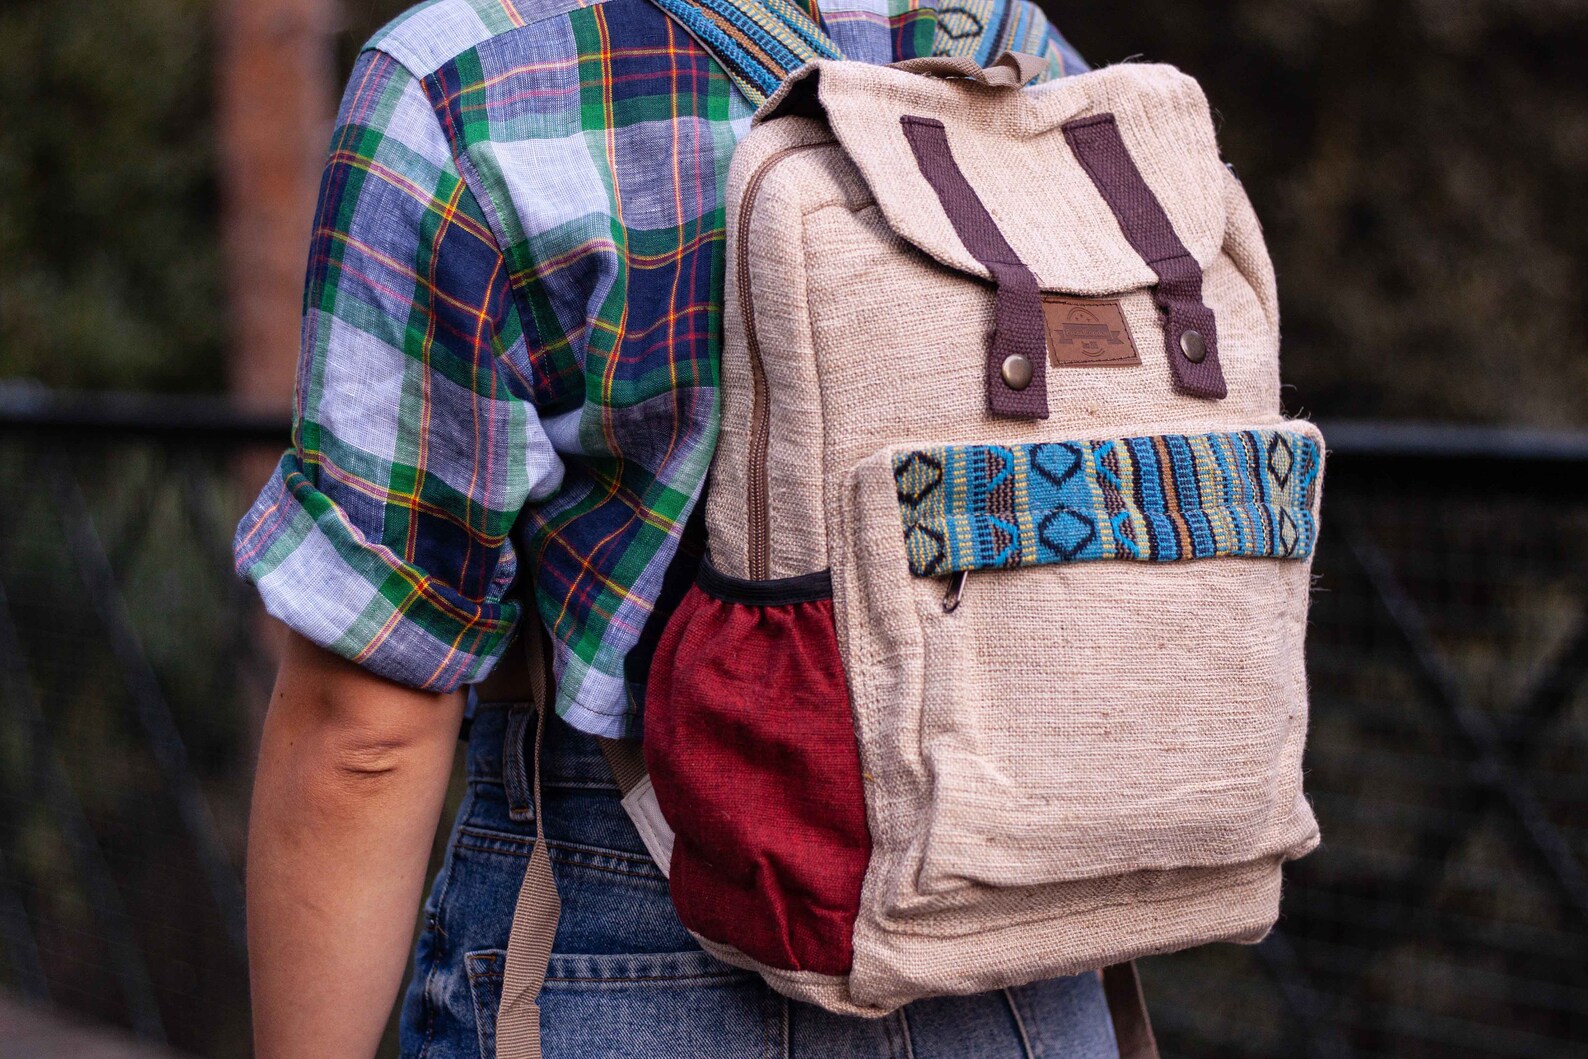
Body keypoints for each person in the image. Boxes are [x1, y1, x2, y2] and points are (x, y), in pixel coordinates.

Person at [235, 1, 1119, 1055]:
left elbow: (366, 727)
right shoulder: (1013, 42)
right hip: (1026, 932)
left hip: (637, 922)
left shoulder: (465, 80)